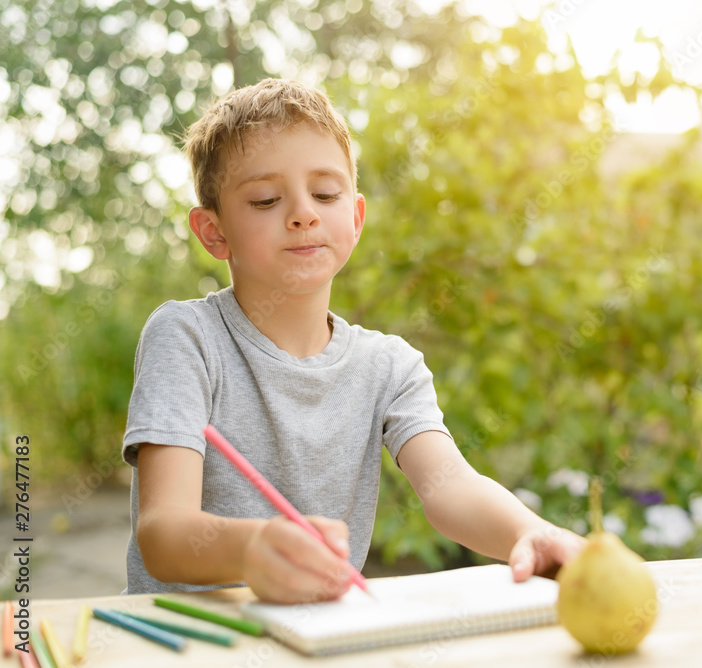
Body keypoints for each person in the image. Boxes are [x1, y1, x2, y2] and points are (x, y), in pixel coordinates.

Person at [122, 78, 585, 603]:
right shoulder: (187, 338)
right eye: (265, 199)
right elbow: (163, 531)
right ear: (214, 232)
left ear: (357, 217)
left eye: (324, 193)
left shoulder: (389, 366)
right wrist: (253, 549)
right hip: (181, 643)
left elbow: (450, 486)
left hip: (316, 641)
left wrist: (529, 532)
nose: (303, 213)